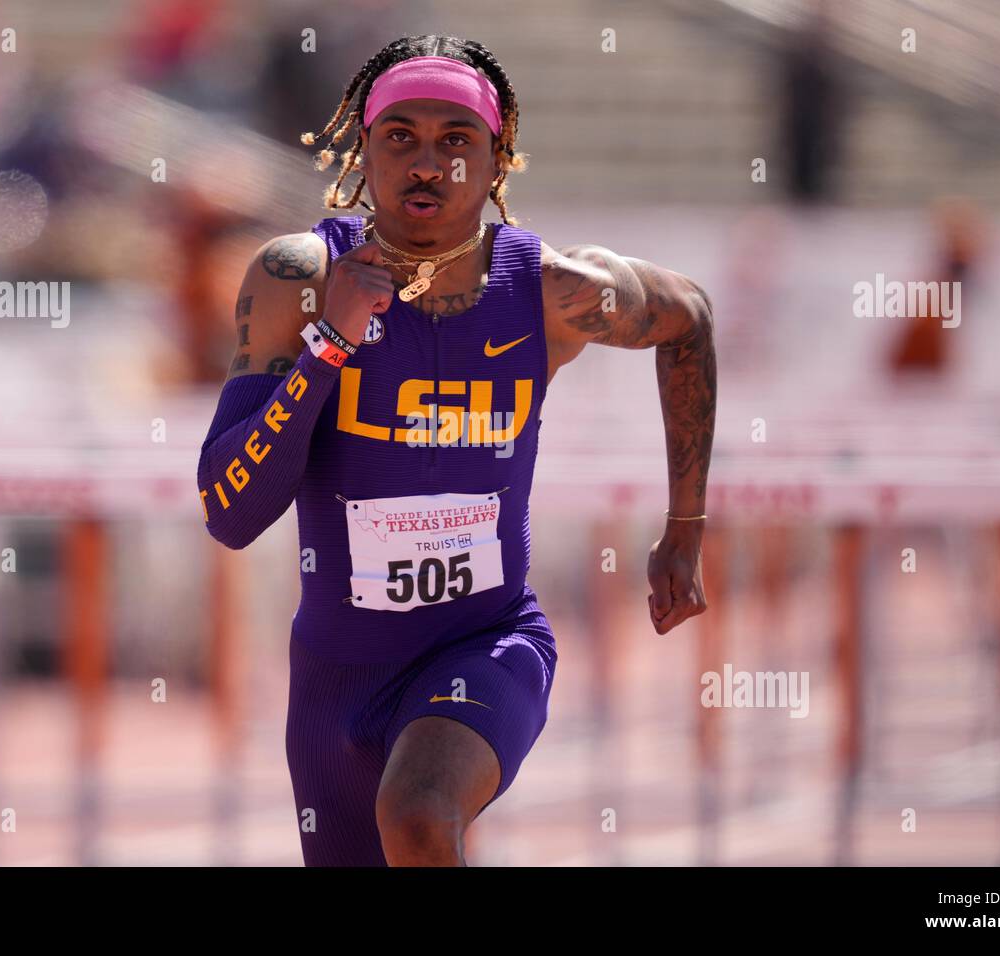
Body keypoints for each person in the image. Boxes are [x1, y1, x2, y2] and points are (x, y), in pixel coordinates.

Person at [196, 35, 716, 866]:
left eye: (456, 140)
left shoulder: (553, 291)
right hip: (337, 678)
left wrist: (685, 522)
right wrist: (329, 342)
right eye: (400, 136)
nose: (428, 163)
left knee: (419, 813)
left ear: (497, 158)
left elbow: (687, 316)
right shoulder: (296, 276)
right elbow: (230, 509)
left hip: (488, 642)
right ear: (363, 151)